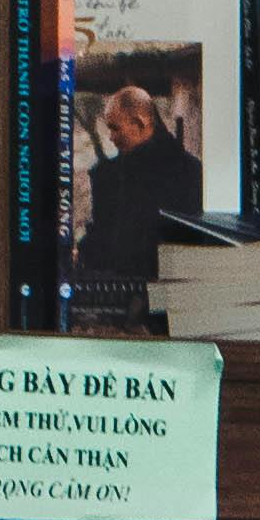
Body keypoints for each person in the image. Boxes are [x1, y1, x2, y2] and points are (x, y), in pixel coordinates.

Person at [72, 68, 215, 327]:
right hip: (115, 297)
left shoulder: (189, 173)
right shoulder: (106, 176)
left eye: (116, 129)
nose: (112, 138)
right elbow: (103, 234)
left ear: (140, 123)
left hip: (170, 301)